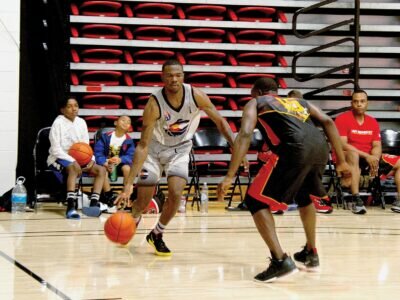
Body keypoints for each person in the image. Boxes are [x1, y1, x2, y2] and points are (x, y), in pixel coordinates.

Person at [218, 78, 351, 283]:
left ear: (259, 92)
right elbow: (328, 122)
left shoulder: (257, 102)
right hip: (320, 148)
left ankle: (280, 260)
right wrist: (341, 161)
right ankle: (310, 251)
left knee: (255, 201)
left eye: (253, 94)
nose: (251, 98)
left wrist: (229, 176)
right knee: (304, 195)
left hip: (294, 150)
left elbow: (244, 134)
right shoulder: (298, 102)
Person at [115, 59, 240, 256]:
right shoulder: (154, 103)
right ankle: (136, 216)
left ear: (183, 76)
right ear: (162, 78)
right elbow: (142, 146)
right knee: (142, 201)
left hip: (180, 149)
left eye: (178, 75)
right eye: (170, 75)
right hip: (154, 151)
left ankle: (157, 233)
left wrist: (236, 148)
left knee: (175, 192)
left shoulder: (196, 95)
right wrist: (128, 184)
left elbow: (220, 122)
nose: (174, 79)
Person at [335, 90, 400, 214]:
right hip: (347, 156)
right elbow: (343, 144)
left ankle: (399, 200)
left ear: (367, 103)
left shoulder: (372, 121)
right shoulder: (342, 119)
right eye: (356, 101)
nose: (359, 104)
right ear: (351, 103)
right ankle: (356, 200)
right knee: (353, 155)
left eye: (362, 101)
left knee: (399, 161)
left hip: (368, 157)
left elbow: (377, 145)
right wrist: (367, 156)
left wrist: (375, 158)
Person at [47, 97, 106, 219]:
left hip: (79, 158)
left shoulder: (81, 122)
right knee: (73, 169)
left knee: (101, 170)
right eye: (69, 106)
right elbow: (55, 149)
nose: (74, 108)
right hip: (59, 157)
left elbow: (85, 147)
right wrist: (73, 160)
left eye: (76, 105)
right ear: (62, 110)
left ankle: (93, 204)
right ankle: (71, 207)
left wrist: (91, 160)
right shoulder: (58, 123)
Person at [287, 90, 333, 214]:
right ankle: (323, 202)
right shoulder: (310, 110)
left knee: (291, 169)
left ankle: (282, 201)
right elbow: (327, 122)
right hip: (321, 146)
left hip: (304, 146)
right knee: (312, 176)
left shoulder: (288, 110)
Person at [94, 115, 135, 207]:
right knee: (102, 171)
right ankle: (109, 195)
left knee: (127, 168)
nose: (126, 123)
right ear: (115, 123)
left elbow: (130, 156)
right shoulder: (105, 137)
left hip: (120, 164)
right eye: (123, 120)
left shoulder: (129, 140)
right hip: (106, 163)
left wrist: (121, 159)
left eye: (128, 122)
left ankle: (125, 194)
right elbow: (98, 153)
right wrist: (105, 162)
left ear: (130, 127)